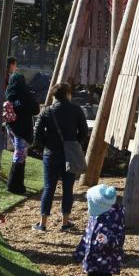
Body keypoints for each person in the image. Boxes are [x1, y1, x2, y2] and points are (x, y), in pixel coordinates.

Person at [33, 82, 90, 232]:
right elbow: (84, 132)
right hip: (69, 154)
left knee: (49, 188)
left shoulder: (47, 111)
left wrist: (47, 143)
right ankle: (65, 222)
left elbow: (36, 135)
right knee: (68, 188)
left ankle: (43, 223)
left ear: (54, 96)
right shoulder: (76, 110)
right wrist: (73, 141)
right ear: (67, 94)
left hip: (51, 153)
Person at [73, 183, 126, 276]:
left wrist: (108, 239)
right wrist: (80, 251)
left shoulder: (114, 219)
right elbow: (87, 235)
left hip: (106, 262)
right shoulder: (95, 216)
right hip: (92, 259)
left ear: (99, 204)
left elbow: (119, 240)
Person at [3, 60, 40, 195]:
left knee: (18, 156)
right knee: (20, 157)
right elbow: (36, 110)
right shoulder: (26, 94)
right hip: (22, 130)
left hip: (11, 128)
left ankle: (15, 185)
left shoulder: (9, 94)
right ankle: (15, 186)